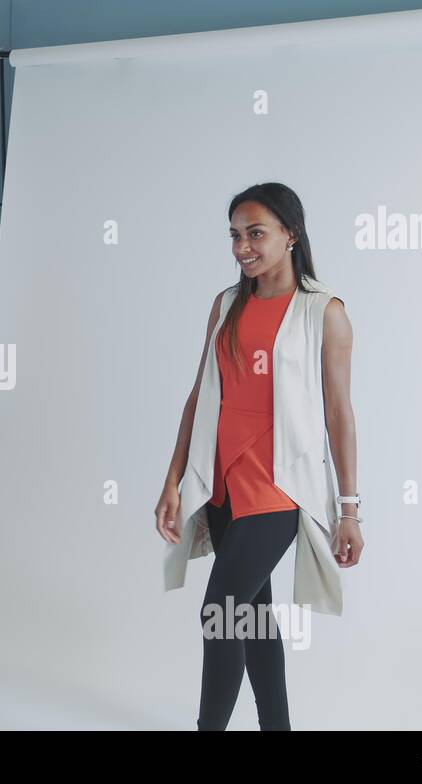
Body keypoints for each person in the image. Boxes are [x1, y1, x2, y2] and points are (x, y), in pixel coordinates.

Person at [154, 182, 365, 731]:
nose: (242, 247)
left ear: (290, 235)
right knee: (248, 616)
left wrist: (349, 510)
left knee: (218, 613)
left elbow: (339, 414)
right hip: (221, 480)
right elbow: (200, 394)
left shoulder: (325, 312)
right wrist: (173, 480)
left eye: (255, 233)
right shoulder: (226, 305)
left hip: (278, 486)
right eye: (235, 235)